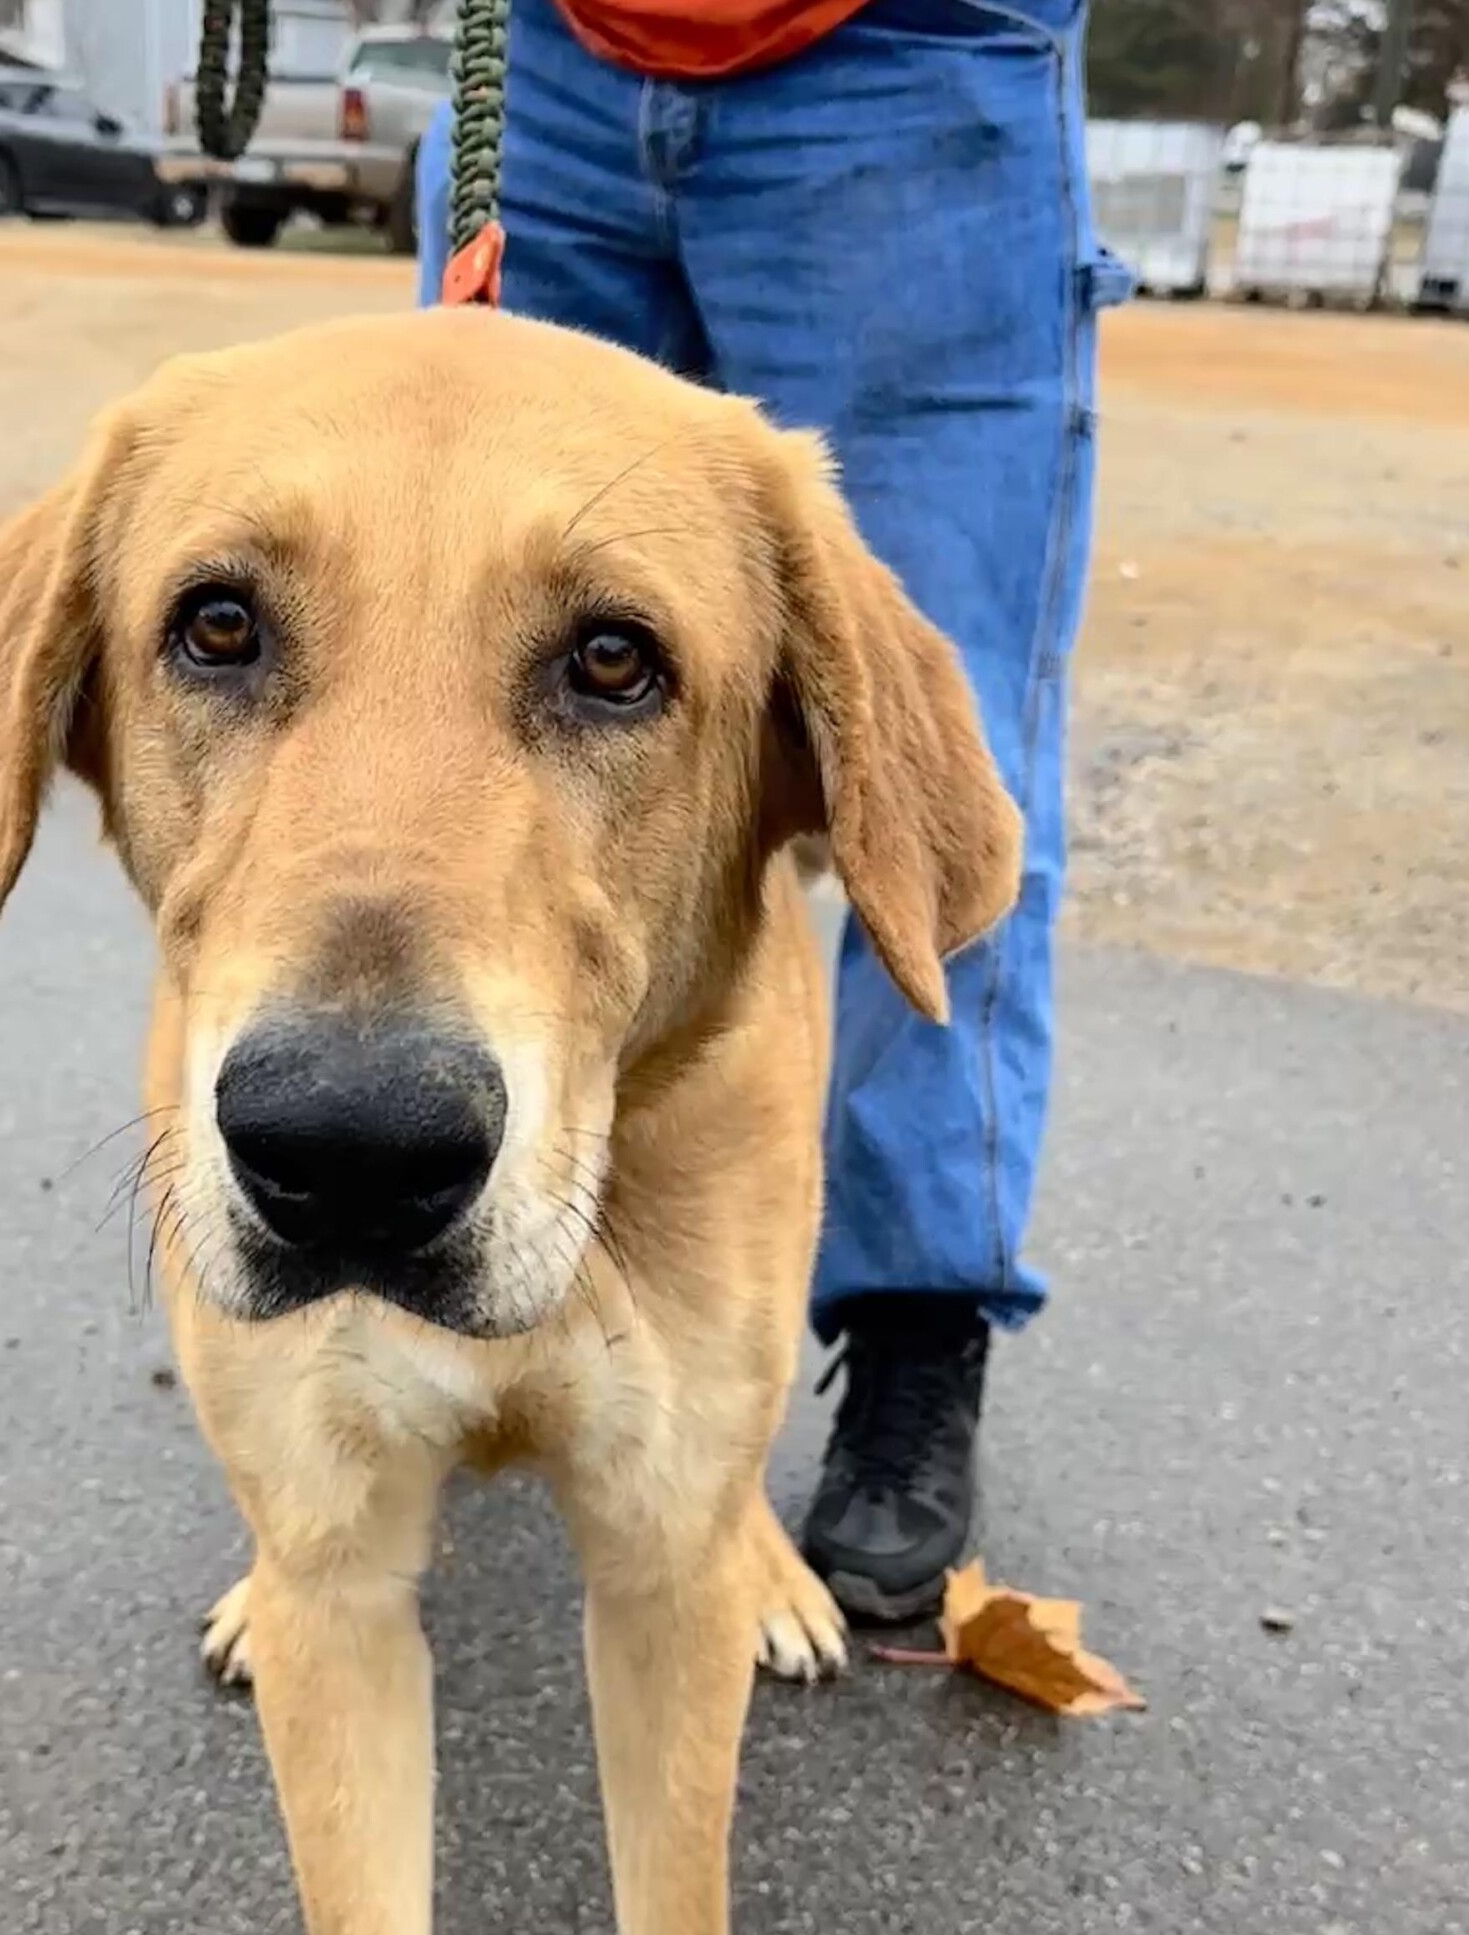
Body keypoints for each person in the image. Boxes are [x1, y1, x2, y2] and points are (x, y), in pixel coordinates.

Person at [417, 0, 1132, 1622]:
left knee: (923, 764)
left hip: (911, 52)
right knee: (439, 689)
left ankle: (911, 1321)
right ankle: (448, 1280)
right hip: (548, 53)